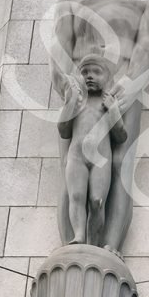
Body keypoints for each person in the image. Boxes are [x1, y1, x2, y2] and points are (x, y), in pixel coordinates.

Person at [50, 0, 149, 252]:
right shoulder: (71, 6)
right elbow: (59, 57)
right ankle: (73, 244)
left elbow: (146, 53)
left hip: (122, 87)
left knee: (119, 164)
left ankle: (111, 248)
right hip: (79, 91)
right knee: (71, 167)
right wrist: (70, 89)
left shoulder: (148, 9)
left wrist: (125, 90)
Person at [57, 54, 127, 246]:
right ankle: (79, 235)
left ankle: (93, 244)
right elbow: (63, 130)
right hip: (76, 156)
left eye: (96, 72)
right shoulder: (77, 103)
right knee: (77, 196)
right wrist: (69, 105)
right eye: (85, 72)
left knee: (97, 201)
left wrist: (113, 111)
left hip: (100, 158)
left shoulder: (108, 104)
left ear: (106, 77)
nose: (90, 76)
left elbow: (121, 135)